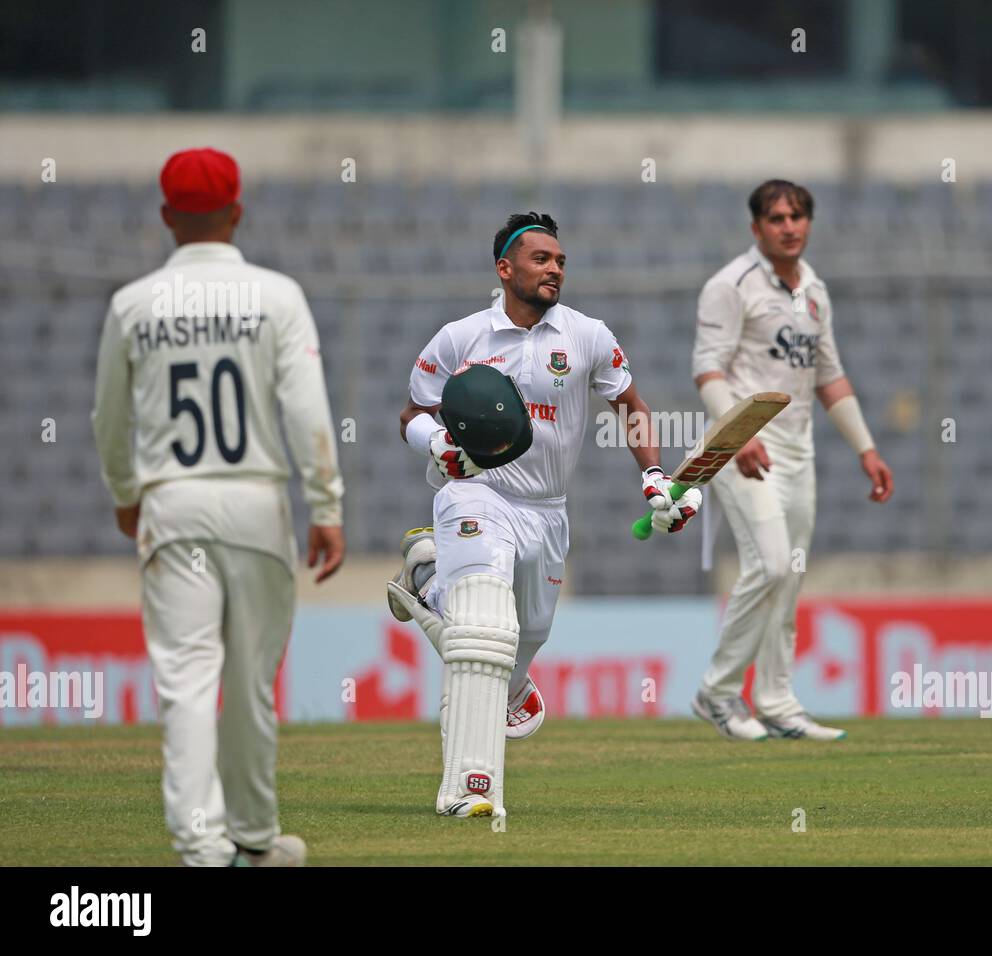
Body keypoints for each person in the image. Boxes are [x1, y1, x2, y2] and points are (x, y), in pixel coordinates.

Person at [386, 211, 698, 819]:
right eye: (540, 259)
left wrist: (654, 477)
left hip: (547, 513)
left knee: (518, 643)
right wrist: (437, 445)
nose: (554, 268)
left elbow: (633, 406)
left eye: (560, 260)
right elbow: (412, 414)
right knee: (484, 635)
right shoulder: (460, 337)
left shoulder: (587, 335)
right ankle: (470, 791)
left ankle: (428, 584)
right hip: (477, 493)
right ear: (505, 268)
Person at [92, 147, 346, 866]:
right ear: (238, 212)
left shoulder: (131, 304)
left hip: (174, 503)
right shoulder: (278, 296)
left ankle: (204, 846)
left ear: (167, 217)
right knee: (251, 685)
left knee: (187, 683)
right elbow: (308, 412)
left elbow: (108, 421)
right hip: (257, 502)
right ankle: (256, 838)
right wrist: (327, 505)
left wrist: (126, 494)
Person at [690, 180, 894, 742]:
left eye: (798, 216)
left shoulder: (815, 291)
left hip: (797, 449)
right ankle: (717, 691)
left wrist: (866, 449)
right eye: (777, 217)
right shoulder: (730, 285)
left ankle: (777, 699)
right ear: (756, 227)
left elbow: (828, 375)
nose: (789, 226)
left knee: (790, 576)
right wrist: (738, 431)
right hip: (741, 446)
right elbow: (707, 370)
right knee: (772, 565)